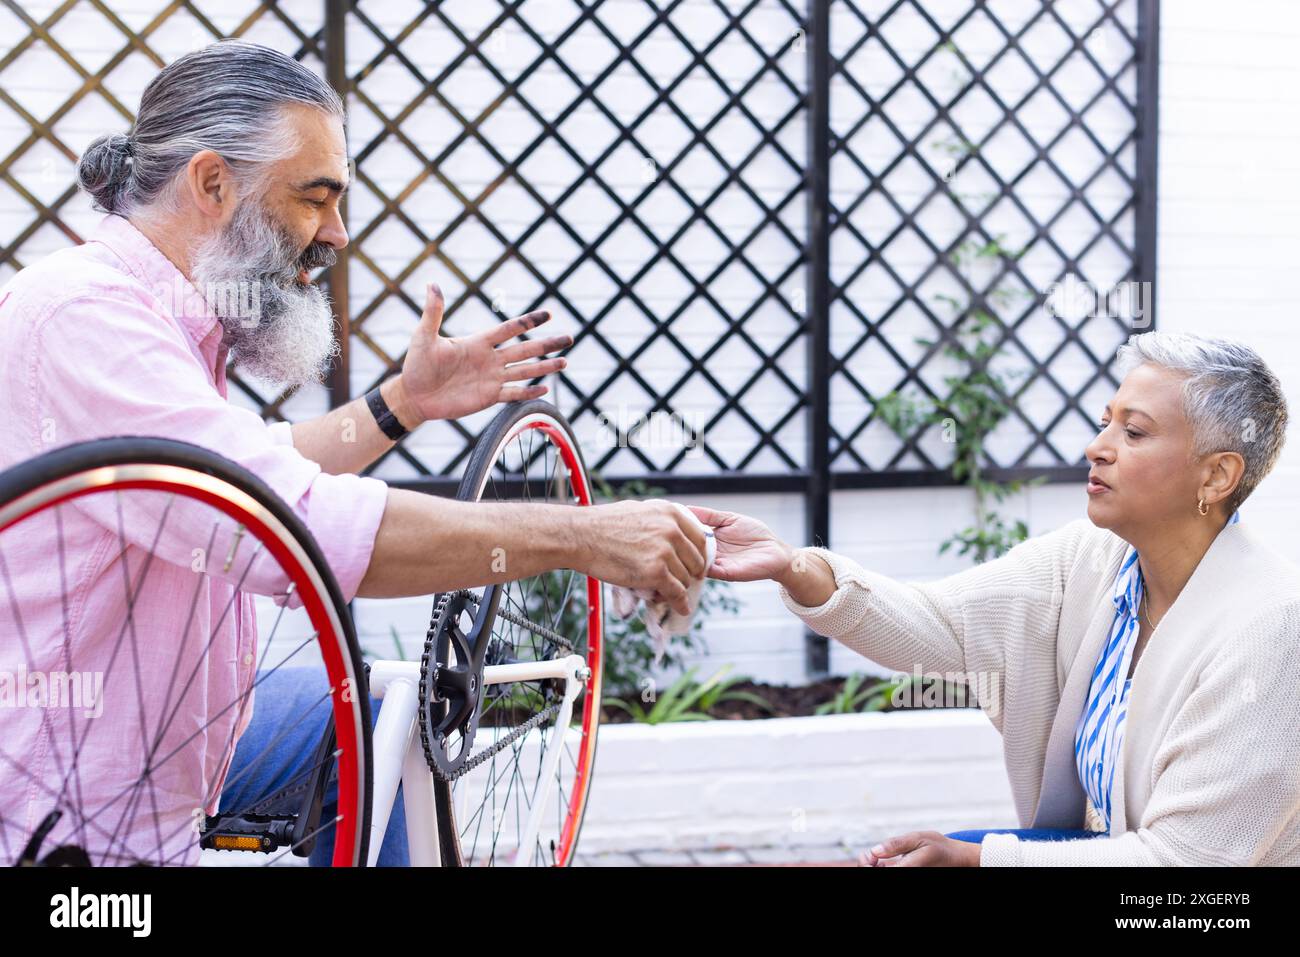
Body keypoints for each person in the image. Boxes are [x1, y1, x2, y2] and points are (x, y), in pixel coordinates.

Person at [0, 40, 709, 866]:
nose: (336, 232)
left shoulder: (158, 317)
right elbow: (281, 522)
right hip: (56, 828)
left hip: (157, 750)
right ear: (211, 183)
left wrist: (403, 403)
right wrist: (590, 538)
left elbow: (242, 469)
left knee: (374, 725)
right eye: (315, 197)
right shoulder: (84, 317)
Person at [689, 330, 1300, 866]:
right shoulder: (1090, 559)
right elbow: (938, 625)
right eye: (1104, 421)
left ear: (1217, 476)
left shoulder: (1269, 627)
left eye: (1134, 432)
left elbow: (1186, 866)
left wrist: (985, 859)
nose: (1098, 446)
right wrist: (793, 567)